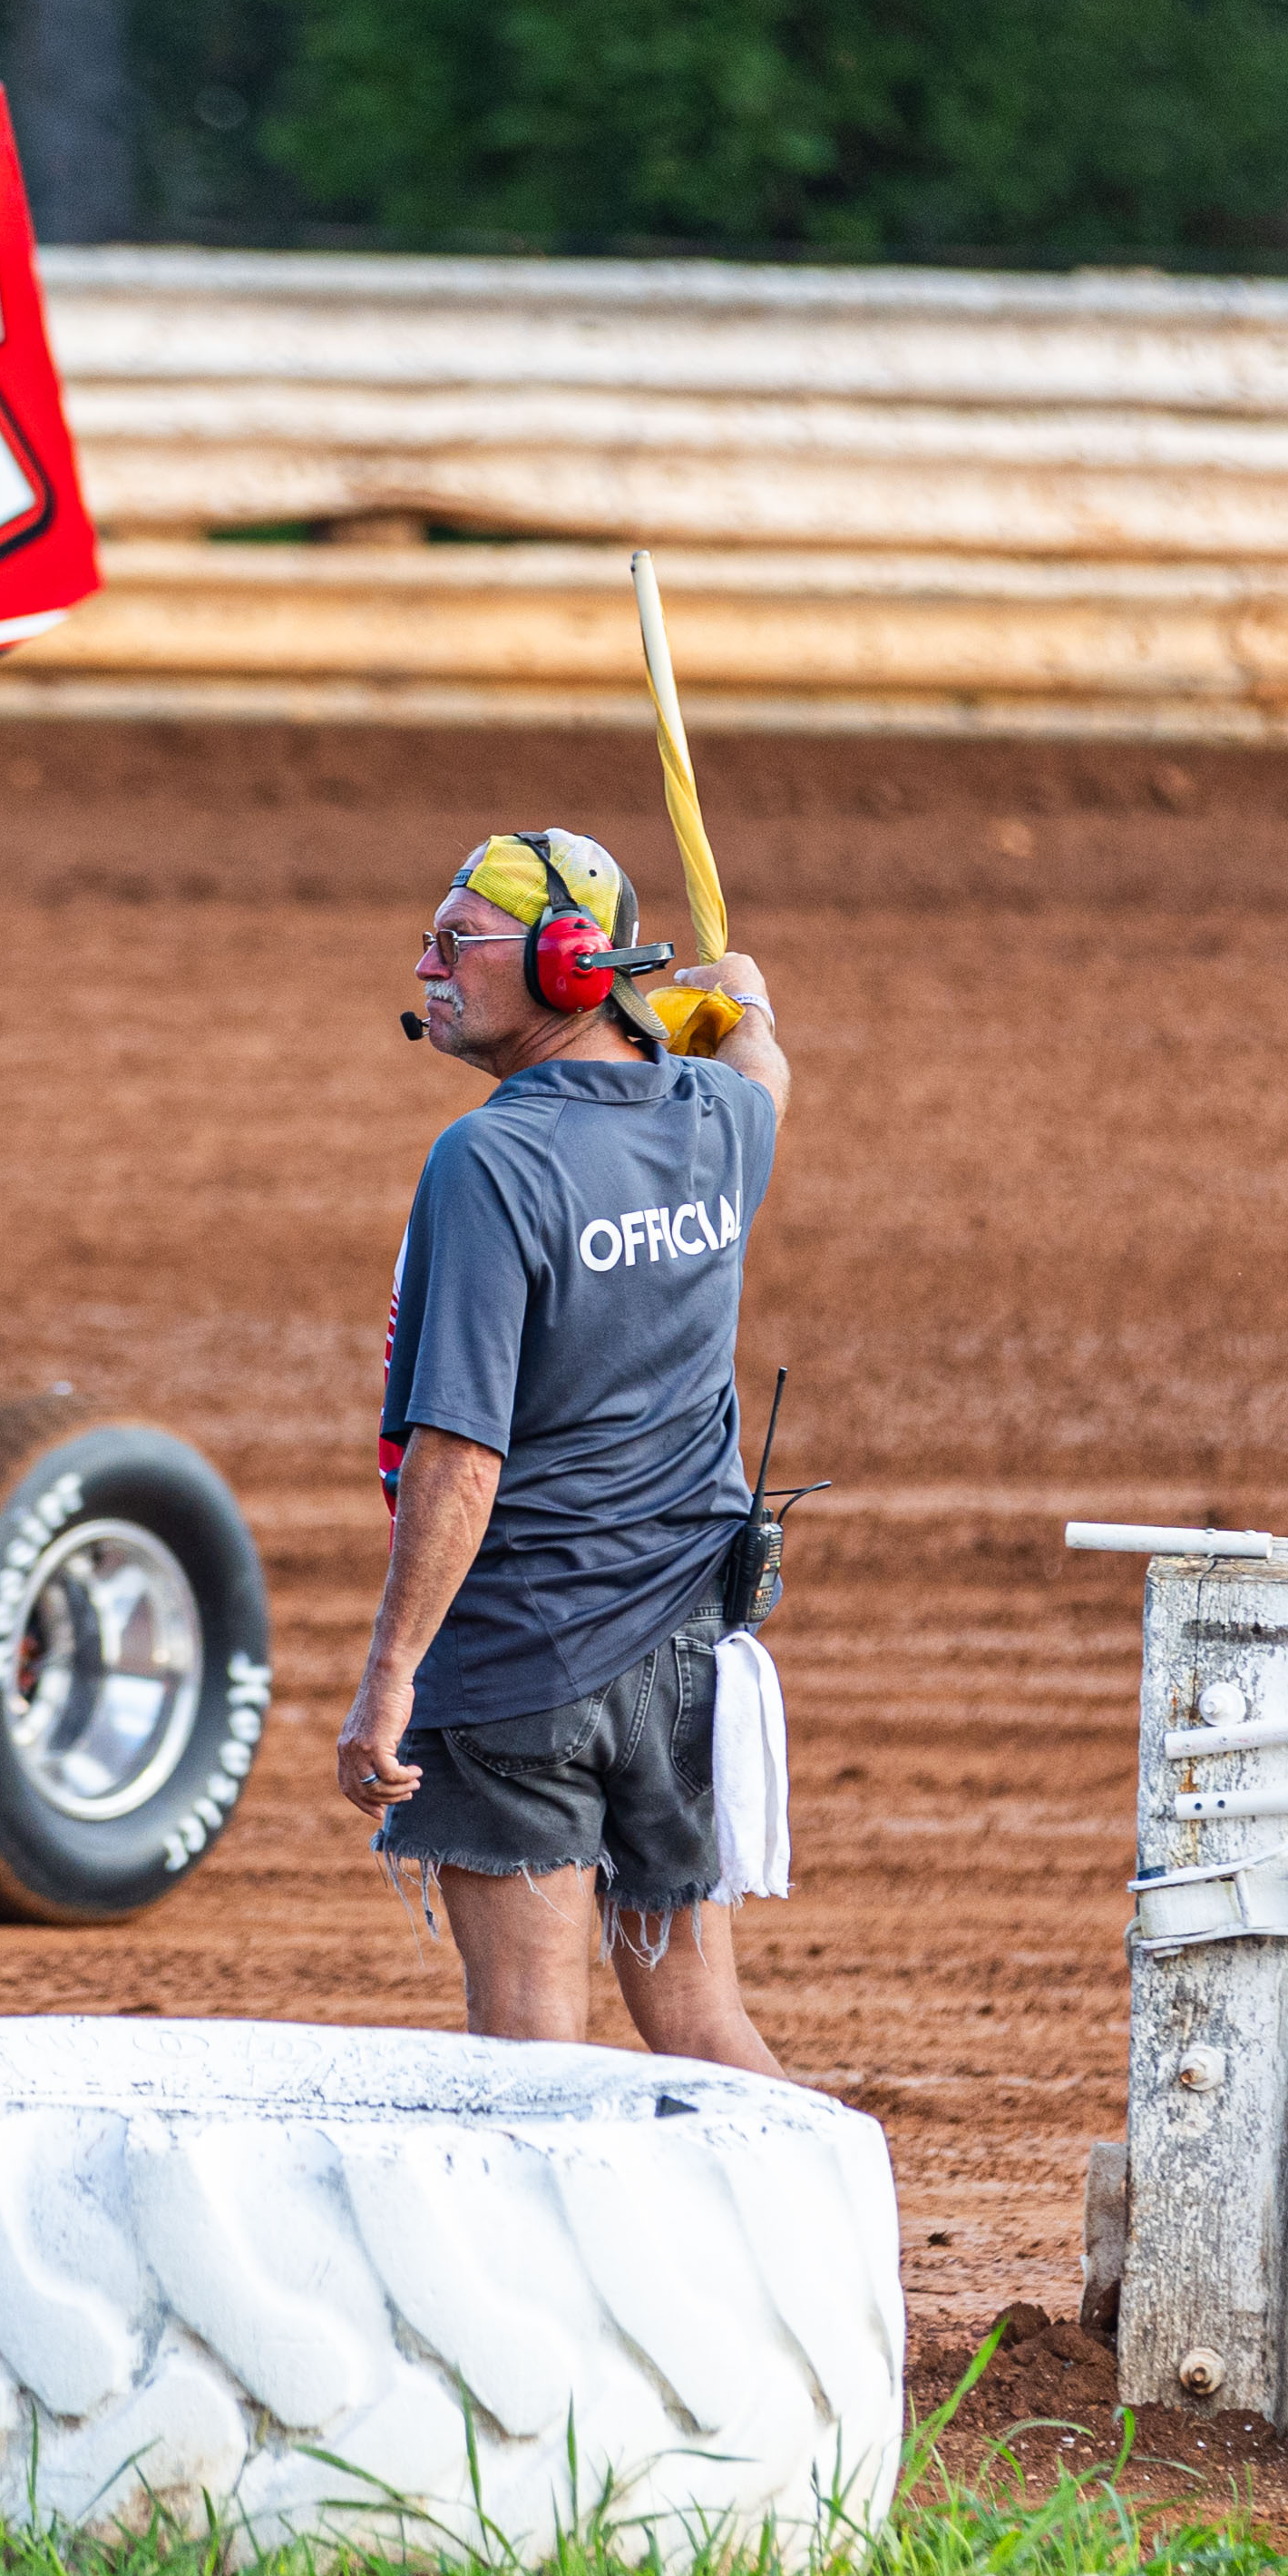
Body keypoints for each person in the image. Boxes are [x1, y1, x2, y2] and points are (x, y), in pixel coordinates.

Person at [335, 828, 795, 2073]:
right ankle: (825, 2204)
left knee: (531, 2051)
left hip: (521, 1662)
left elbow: (458, 1457)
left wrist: (390, 1676)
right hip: (686, 1652)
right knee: (699, 2020)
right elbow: (761, 1067)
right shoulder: (717, 1119)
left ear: (570, 963)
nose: (424, 966)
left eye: (457, 942)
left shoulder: (489, 1159)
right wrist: (744, 1001)